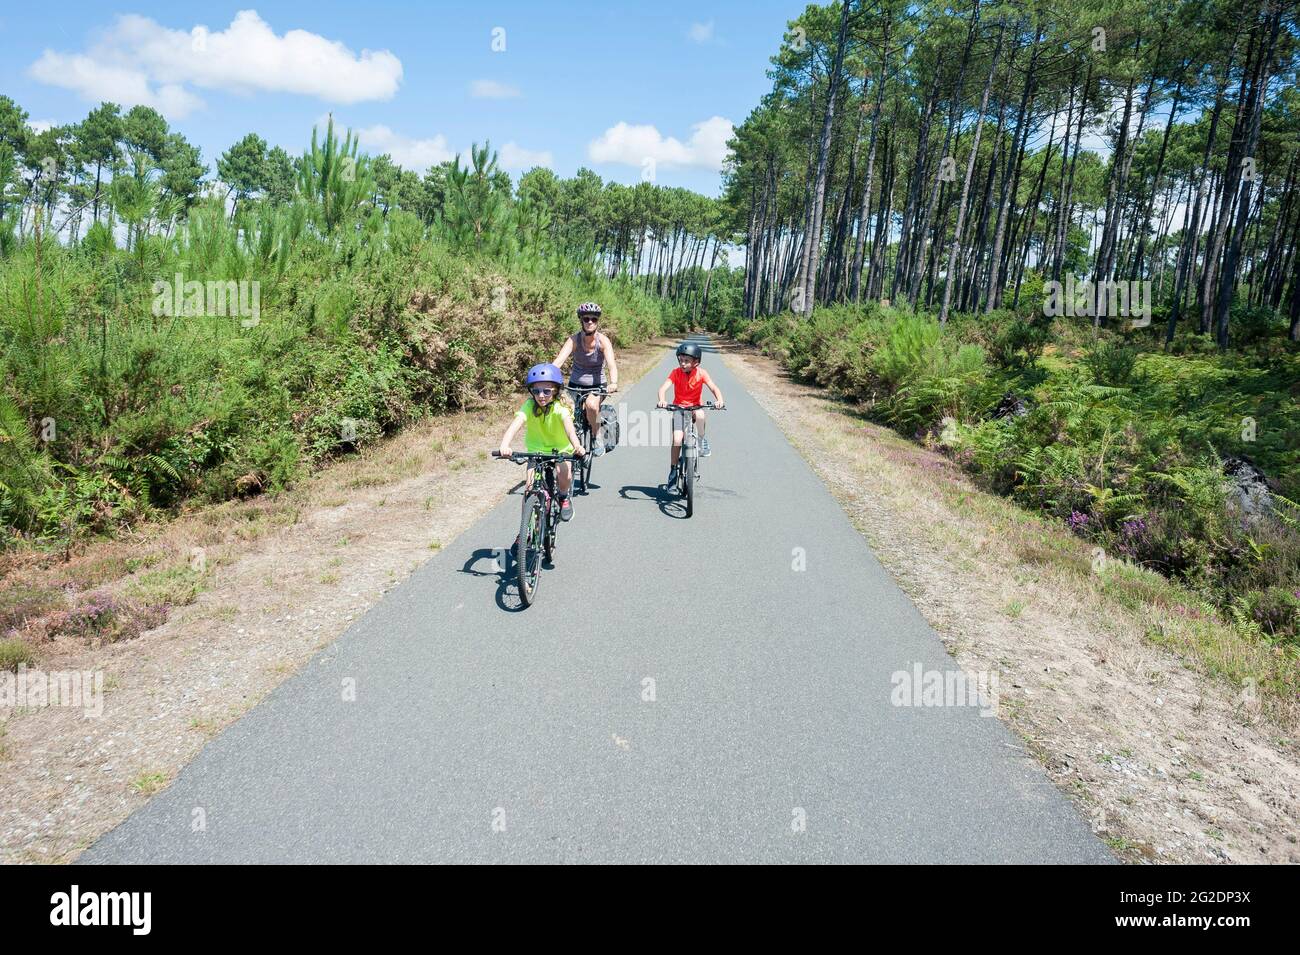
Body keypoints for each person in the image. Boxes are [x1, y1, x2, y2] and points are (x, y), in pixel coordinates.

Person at [498, 363, 585, 522]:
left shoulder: (561, 407)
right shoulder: (529, 405)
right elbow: (515, 425)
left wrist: (577, 446)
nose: (541, 395)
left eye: (547, 391)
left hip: (561, 450)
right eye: (536, 391)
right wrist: (505, 445)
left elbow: (570, 430)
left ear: (556, 391)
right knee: (529, 489)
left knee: (563, 474)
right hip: (536, 451)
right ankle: (526, 529)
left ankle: (564, 497)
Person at [552, 302, 618, 456]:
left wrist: (613, 383)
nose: (590, 322)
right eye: (586, 319)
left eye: (594, 319)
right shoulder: (574, 340)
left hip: (597, 385)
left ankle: (596, 436)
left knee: (591, 405)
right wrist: (546, 378)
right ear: (581, 320)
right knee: (564, 413)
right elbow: (558, 362)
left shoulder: (603, 341)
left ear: (597, 322)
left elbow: (612, 365)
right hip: (575, 384)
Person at [656, 341, 725, 489]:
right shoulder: (675, 373)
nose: (683, 364)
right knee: (677, 438)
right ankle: (673, 471)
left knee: (700, 415)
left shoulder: (702, 373)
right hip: (679, 408)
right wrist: (662, 400)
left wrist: (719, 400)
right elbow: (663, 388)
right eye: (681, 360)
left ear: (696, 363)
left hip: (695, 407)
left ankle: (701, 440)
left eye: (687, 361)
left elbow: (713, 387)